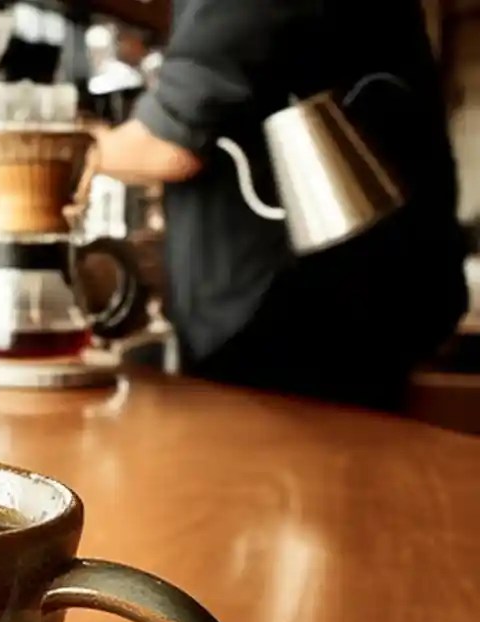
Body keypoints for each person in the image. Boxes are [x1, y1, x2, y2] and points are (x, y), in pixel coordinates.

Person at [90, 0, 468, 411]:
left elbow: (170, 144)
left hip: (299, 314)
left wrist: (67, 148)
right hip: (363, 291)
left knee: (293, 465)